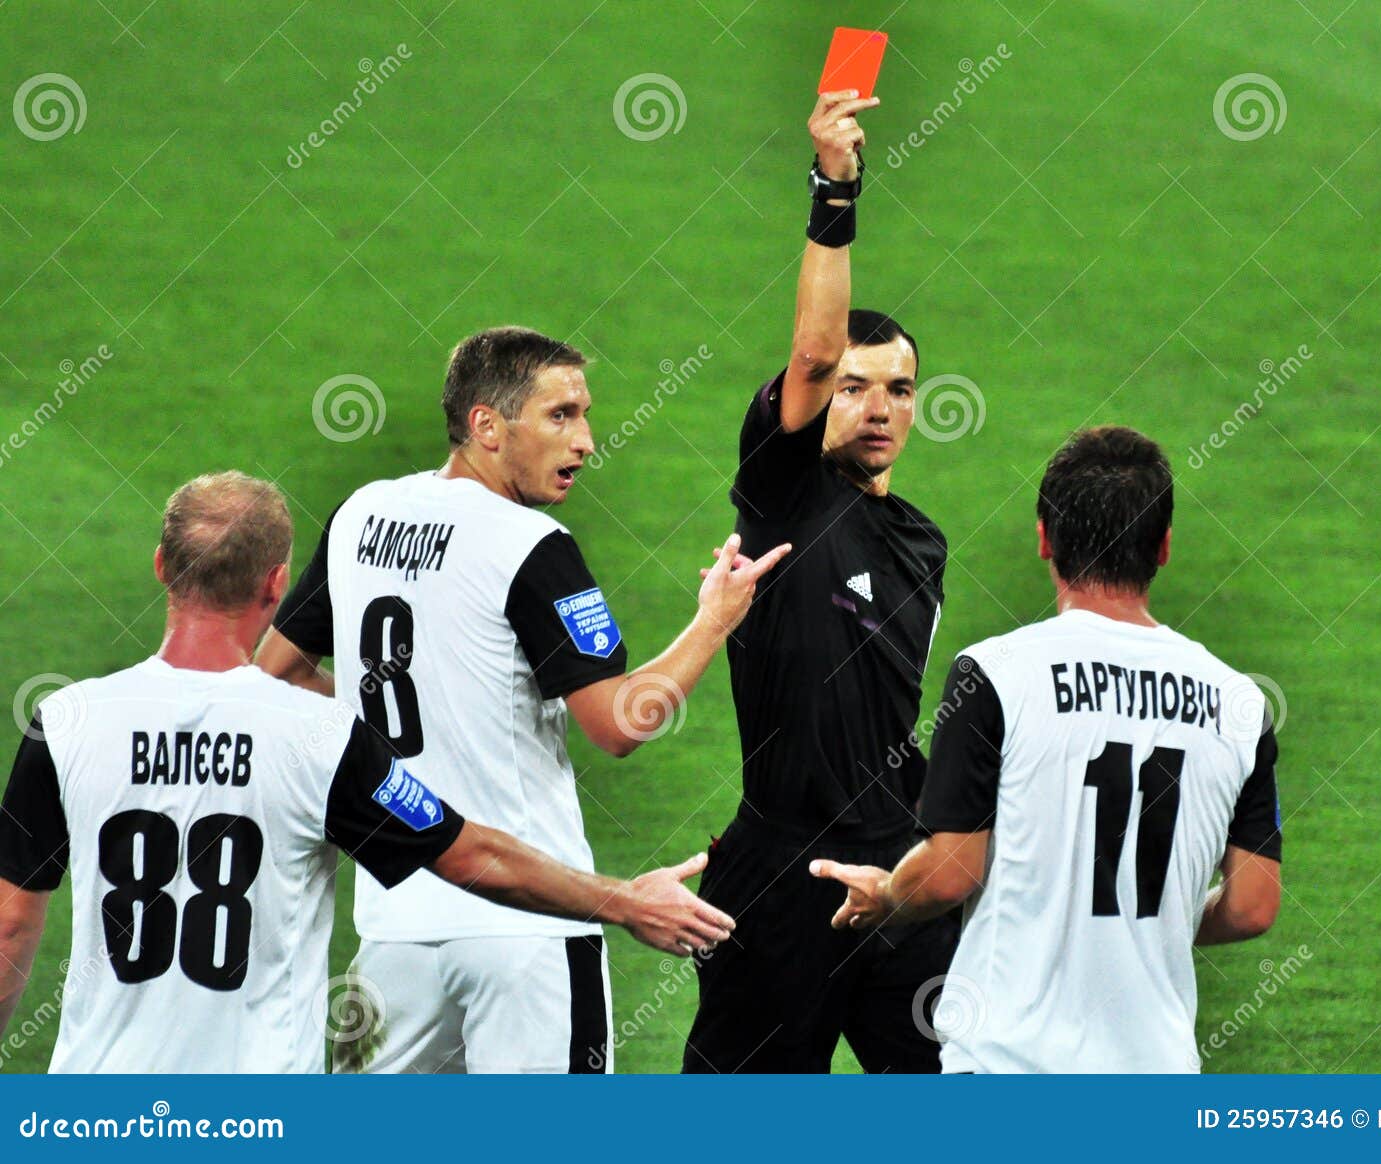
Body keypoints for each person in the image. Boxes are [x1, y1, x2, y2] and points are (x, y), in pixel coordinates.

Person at [0, 472, 734, 1073]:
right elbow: (474, 855)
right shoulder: (322, 742)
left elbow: (8, 930)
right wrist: (625, 902)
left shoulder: (64, 725)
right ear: (275, 583)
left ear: (161, 566)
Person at [255, 328, 787, 1073]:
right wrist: (713, 621)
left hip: (394, 932)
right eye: (561, 415)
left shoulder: (361, 516)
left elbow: (274, 673)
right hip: (529, 929)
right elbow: (620, 724)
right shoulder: (531, 544)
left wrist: (380, 743)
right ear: (486, 425)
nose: (587, 441)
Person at [811, 426, 1283, 1073]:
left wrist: (889, 894)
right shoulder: (1240, 705)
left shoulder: (997, 675)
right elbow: (1254, 905)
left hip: (1012, 1070)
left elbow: (951, 871)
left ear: (1044, 538)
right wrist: (1143, 924)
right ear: (1164, 547)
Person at [681, 89, 957, 1074]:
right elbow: (808, 345)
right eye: (853, 386)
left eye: (898, 389)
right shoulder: (783, 492)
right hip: (779, 873)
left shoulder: (921, 541)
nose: (877, 408)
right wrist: (833, 189)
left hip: (895, 863)